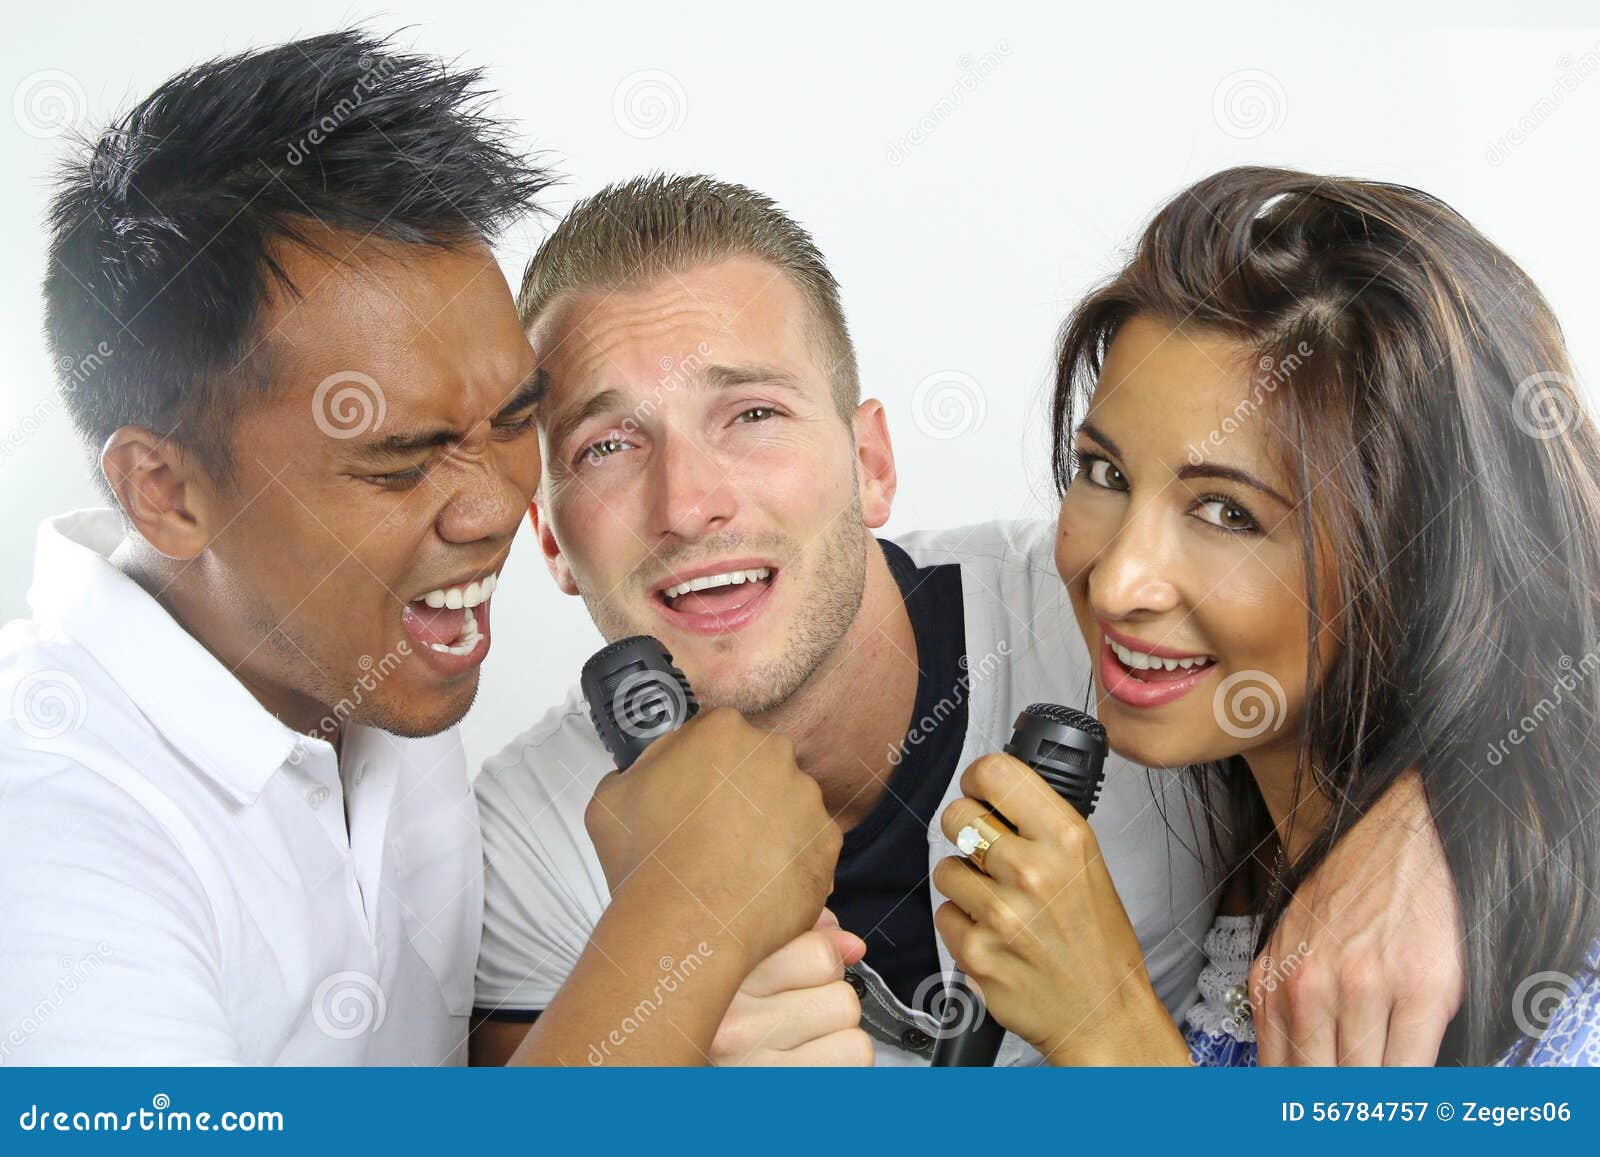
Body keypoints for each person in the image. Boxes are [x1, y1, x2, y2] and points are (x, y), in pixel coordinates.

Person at [470, 174, 1465, 1066]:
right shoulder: (519, 838)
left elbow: (1430, 578)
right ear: (548, 539)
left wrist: (1427, 806)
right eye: (607, 446)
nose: (688, 504)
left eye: (753, 415)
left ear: (871, 464)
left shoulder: (1118, 634)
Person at [0, 32, 839, 1066]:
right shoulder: (42, 821)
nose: (493, 508)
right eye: (400, 460)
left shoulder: (365, 675)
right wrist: (687, 915)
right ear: (164, 490)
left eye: (513, 421)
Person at [934, 166, 1600, 1066]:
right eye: (1105, 473)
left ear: (1418, 554)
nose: (1118, 581)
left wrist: (1106, 1025)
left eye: (1228, 512)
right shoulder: (1237, 864)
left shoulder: (1555, 998)